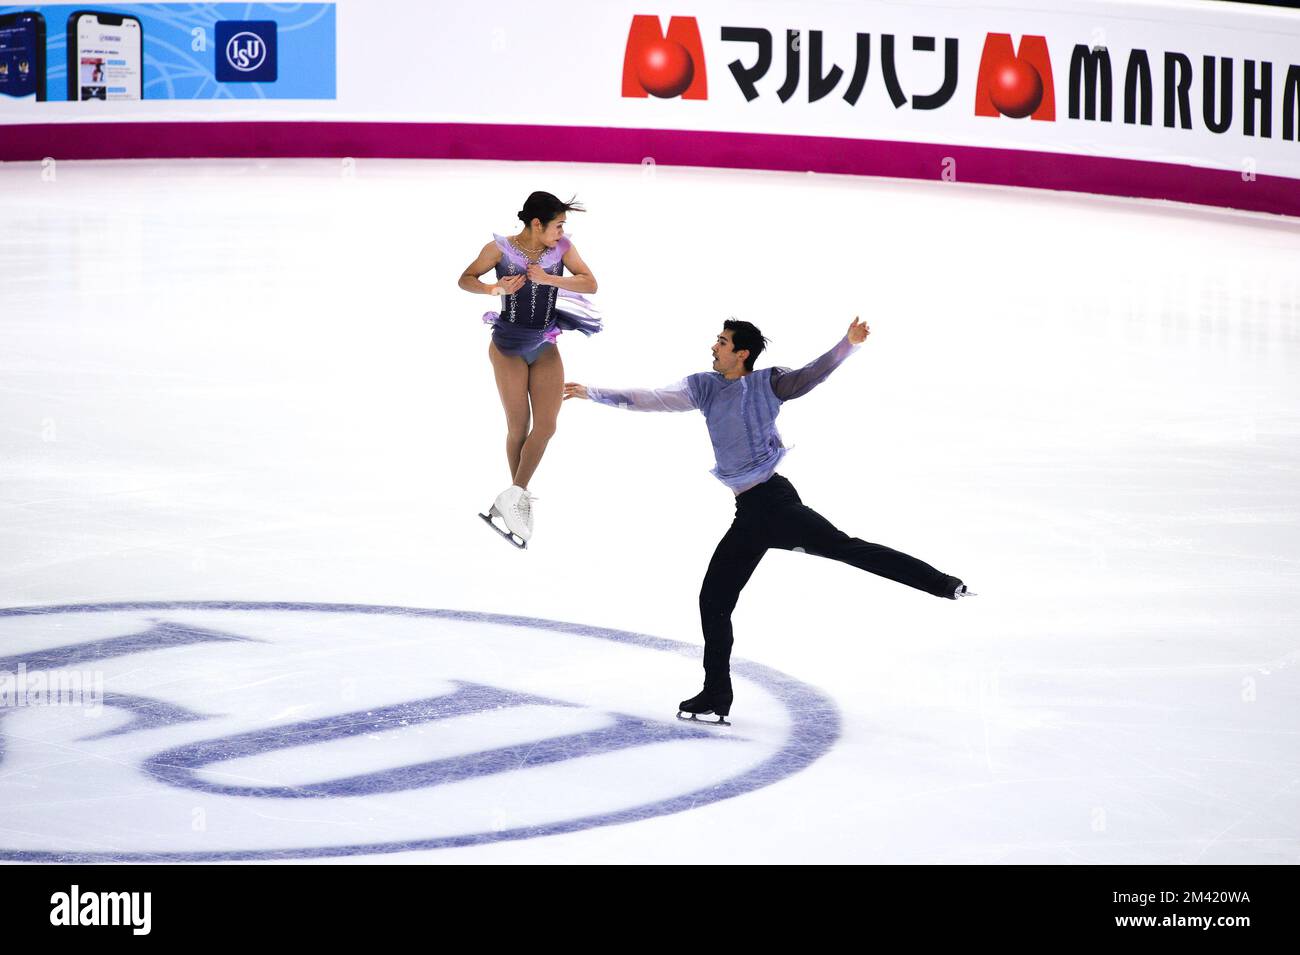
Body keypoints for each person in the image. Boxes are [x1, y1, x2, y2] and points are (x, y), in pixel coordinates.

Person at [563, 317, 972, 723]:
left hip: (775, 506)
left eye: (722, 342)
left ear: (742, 353)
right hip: (752, 514)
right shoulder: (705, 387)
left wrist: (848, 344)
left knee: (847, 549)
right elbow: (653, 398)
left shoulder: (768, 384)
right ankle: (715, 695)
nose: (714, 346)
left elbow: (813, 374)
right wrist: (593, 393)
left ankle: (943, 585)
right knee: (714, 600)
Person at [458, 192, 602, 548]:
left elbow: (590, 282)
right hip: (508, 346)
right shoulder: (500, 249)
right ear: (537, 224)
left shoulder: (562, 249)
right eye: (557, 225)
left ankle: (513, 496)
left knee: (548, 425)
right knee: (519, 425)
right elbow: (465, 278)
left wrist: (550, 280)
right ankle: (516, 498)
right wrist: (494, 287)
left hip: (545, 344)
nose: (561, 232)